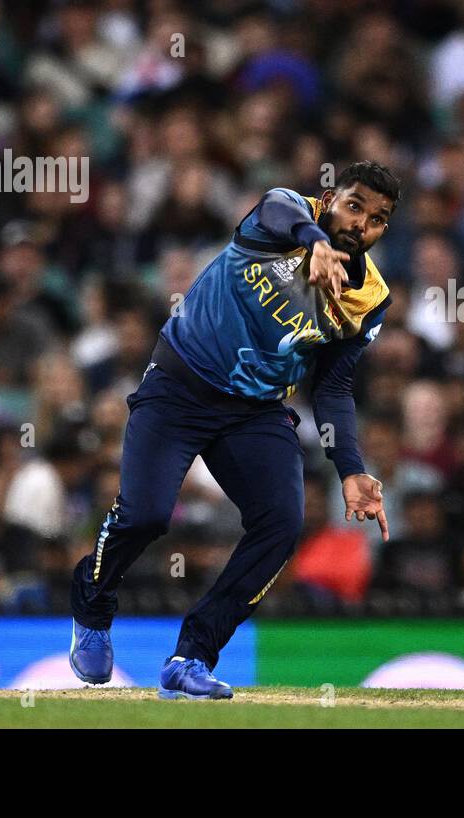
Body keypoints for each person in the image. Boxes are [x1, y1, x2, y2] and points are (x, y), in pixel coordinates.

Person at [69, 161, 400, 700]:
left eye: (378, 219)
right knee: (147, 515)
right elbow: (279, 210)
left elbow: (334, 390)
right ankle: (92, 602)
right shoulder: (284, 215)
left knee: (282, 523)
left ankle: (191, 656)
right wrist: (315, 240)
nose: (362, 223)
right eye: (355, 204)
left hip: (256, 411)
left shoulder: (369, 300)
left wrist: (352, 469)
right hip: (179, 385)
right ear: (329, 198)